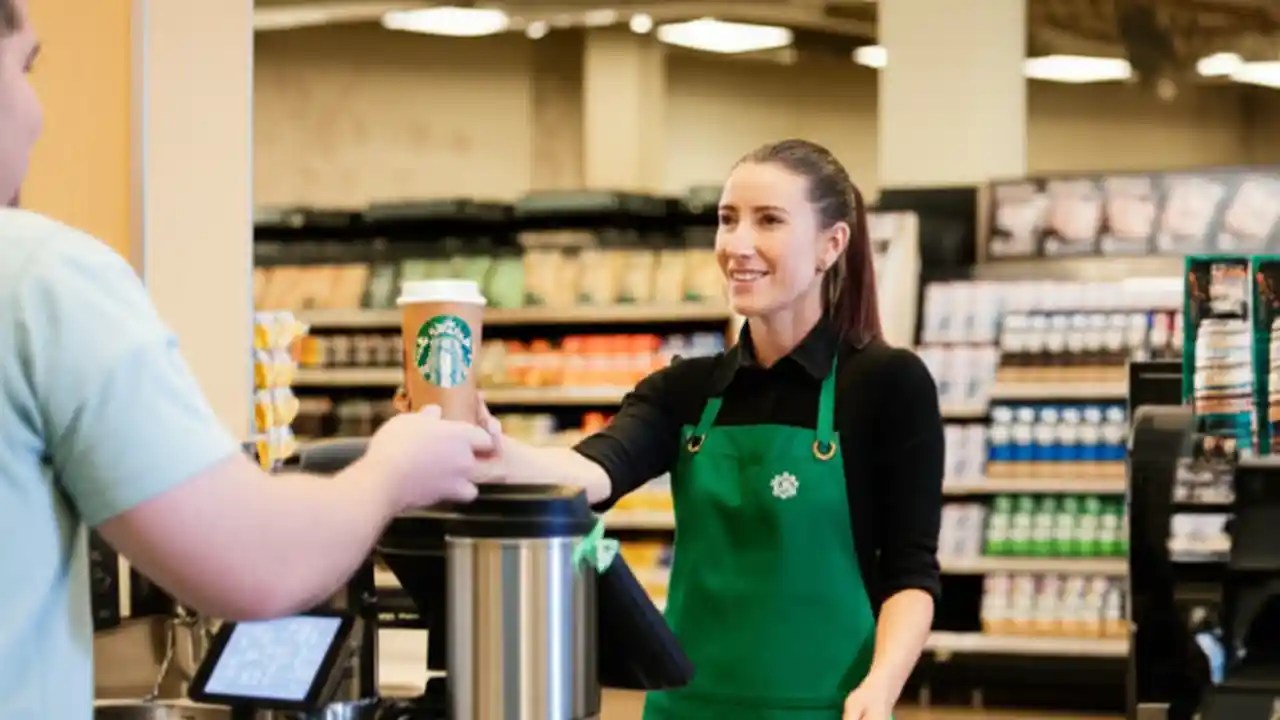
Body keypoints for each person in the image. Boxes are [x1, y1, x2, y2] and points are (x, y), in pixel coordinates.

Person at [0, 2, 498, 716]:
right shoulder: (38, 280)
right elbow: (258, 564)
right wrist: (393, 470)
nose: (39, 110)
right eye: (26, 66)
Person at [485, 139, 944, 719]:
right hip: (685, 708)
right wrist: (487, 445)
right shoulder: (687, 391)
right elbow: (592, 470)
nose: (737, 244)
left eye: (769, 221)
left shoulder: (887, 383)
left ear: (832, 244)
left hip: (827, 708)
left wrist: (881, 685)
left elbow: (912, 572)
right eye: (728, 221)